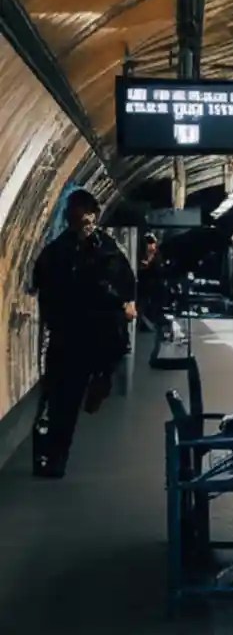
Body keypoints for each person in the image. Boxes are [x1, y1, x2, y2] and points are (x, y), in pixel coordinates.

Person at [30, 189, 137, 478]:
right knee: (63, 400)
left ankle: (56, 455)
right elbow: (125, 287)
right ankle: (56, 456)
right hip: (79, 337)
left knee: (62, 400)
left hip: (81, 336)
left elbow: (37, 282)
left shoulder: (81, 249)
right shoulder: (97, 249)